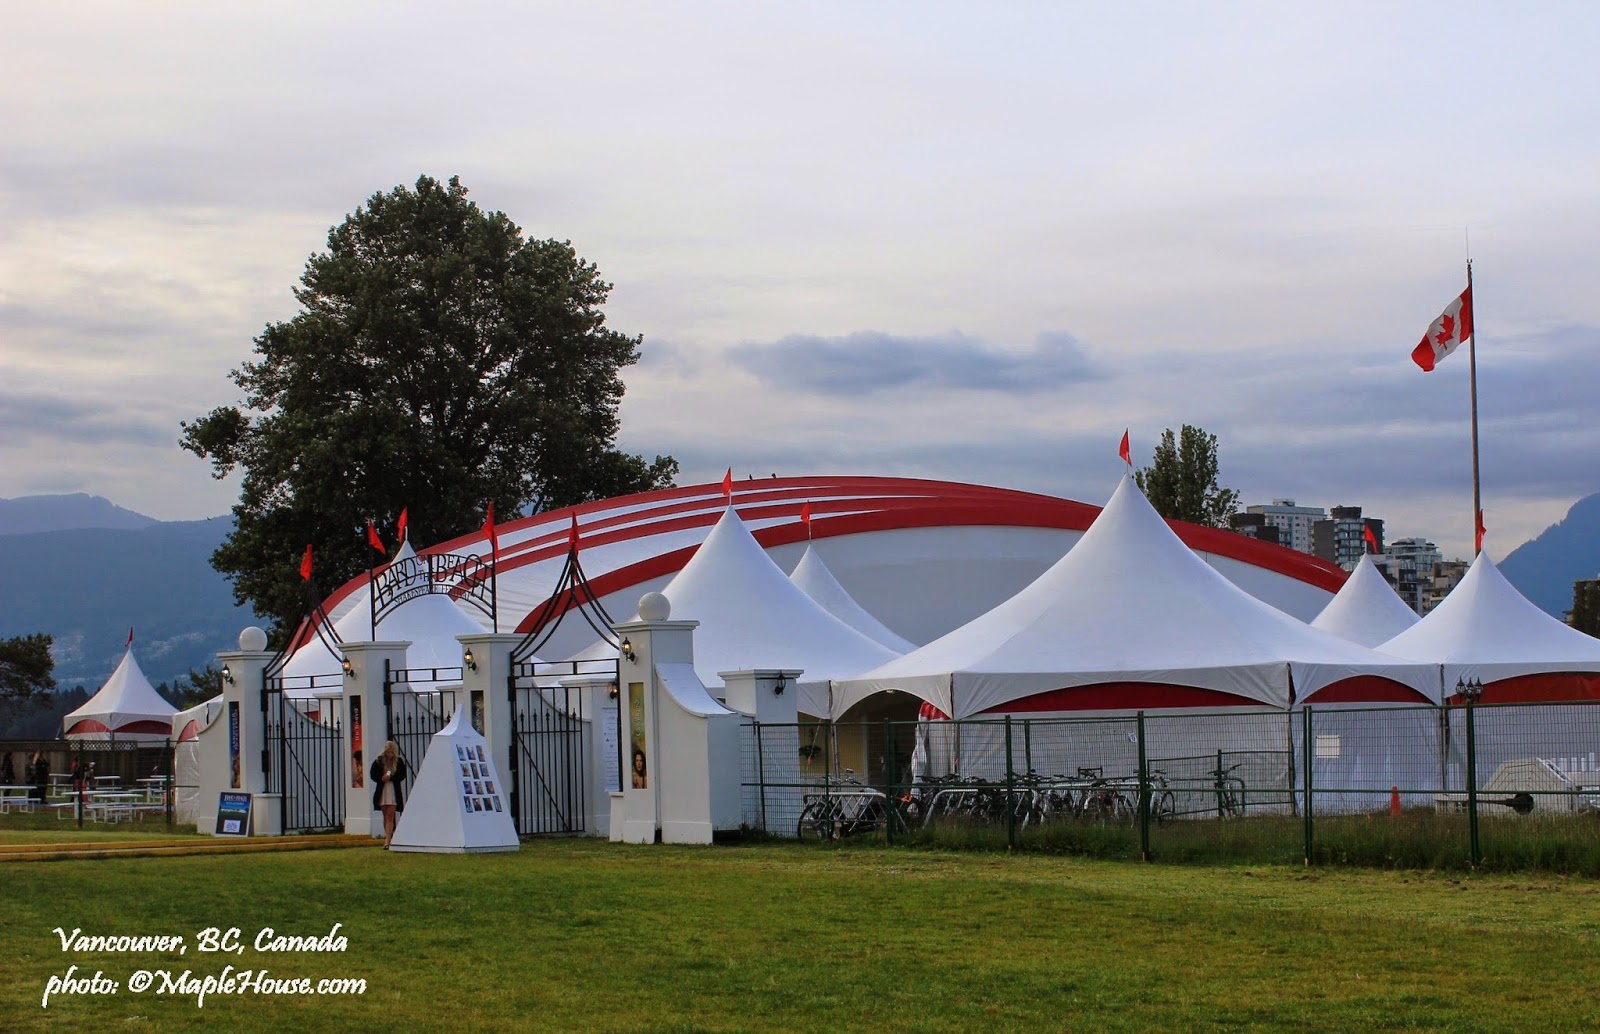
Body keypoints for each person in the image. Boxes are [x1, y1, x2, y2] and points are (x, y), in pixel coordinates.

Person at [369, 741, 407, 849]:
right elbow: (373, 774)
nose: (390, 754)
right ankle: (389, 836)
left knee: (391, 815)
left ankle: (387, 841)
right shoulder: (379, 761)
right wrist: (381, 778)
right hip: (382, 790)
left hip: (393, 790)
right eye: (388, 752)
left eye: (391, 752)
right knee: (385, 815)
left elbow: (402, 775)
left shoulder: (398, 761)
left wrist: (392, 777)